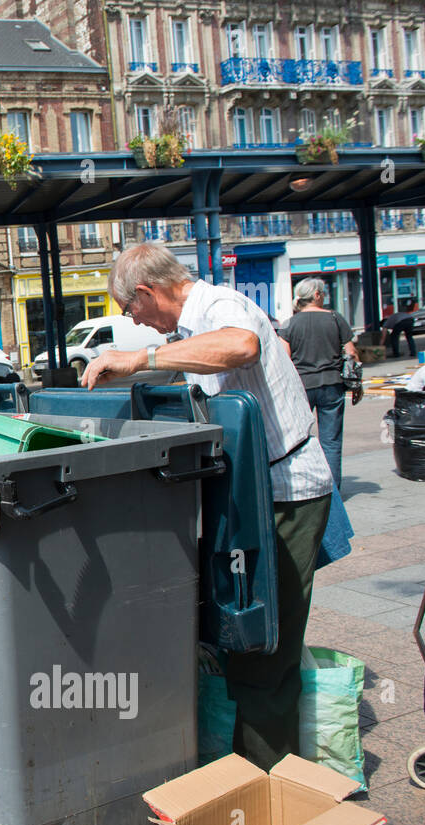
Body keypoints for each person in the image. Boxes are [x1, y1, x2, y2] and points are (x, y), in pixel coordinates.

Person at [82, 241, 334, 772]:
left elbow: (241, 344)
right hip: (253, 490)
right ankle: (241, 761)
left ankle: (264, 780)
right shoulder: (189, 327)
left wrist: (141, 358)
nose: (137, 323)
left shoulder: (219, 305)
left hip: (286, 492)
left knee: (266, 640)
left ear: (148, 293)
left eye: (131, 310)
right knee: (239, 635)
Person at [277, 278, 360, 489]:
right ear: (316, 295)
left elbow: (283, 361)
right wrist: (357, 386)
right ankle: (333, 495)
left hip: (302, 387)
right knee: (331, 442)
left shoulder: (289, 324)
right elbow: (352, 354)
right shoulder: (335, 318)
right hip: (332, 385)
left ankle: (305, 488)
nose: (324, 296)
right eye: (323, 293)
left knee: (299, 440)